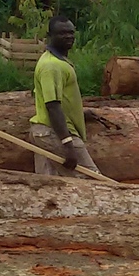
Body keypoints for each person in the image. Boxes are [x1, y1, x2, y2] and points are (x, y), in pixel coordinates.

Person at [30, 15, 102, 178]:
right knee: (92, 180)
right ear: (50, 36)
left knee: (48, 182)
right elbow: (52, 105)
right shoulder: (51, 66)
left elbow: (55, 99)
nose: (68, 37)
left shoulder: (58, 62)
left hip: (44, 131)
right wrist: (67, 143)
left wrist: (80, 114)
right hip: (53, 133)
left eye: (70, 33)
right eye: (62, 33)